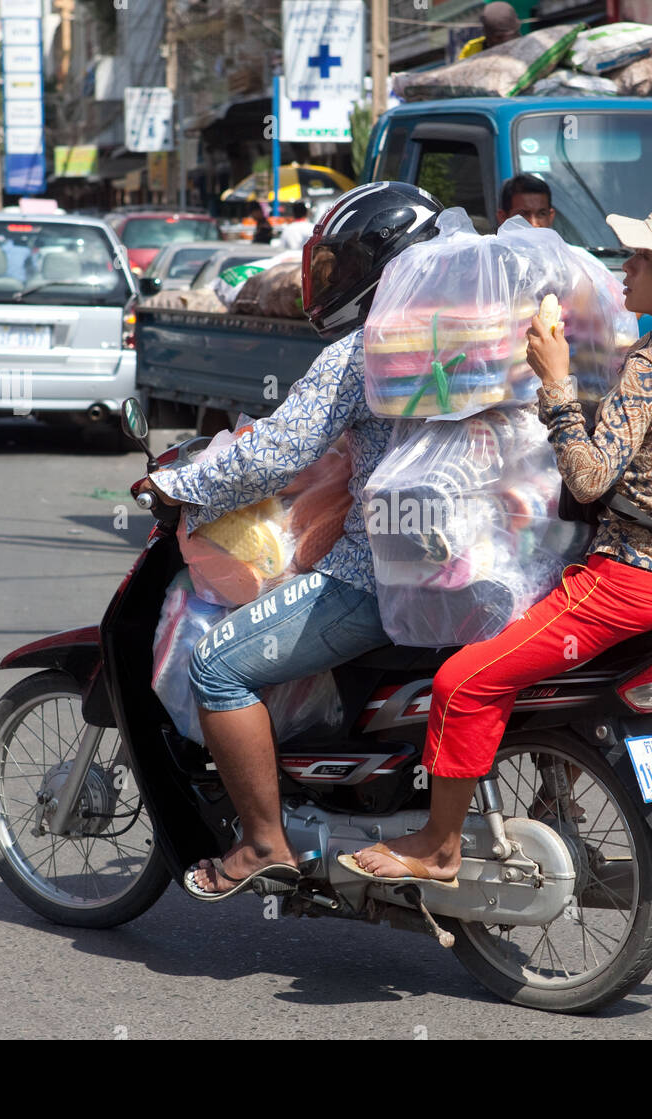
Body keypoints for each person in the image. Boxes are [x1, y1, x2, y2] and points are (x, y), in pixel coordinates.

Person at [347, 194, 652, 883]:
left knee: (462, 682)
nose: (626, 269)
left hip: (632, 582)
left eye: (642, 258)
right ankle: (558, 795)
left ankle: (438, 847)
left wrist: (554, 386)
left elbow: (586, 479)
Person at [138, 182, 445, 899]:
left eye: (340, 266)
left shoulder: (368, 349)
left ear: (381, 265)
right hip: (493, 565)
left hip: (381, 577)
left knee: (214, 666)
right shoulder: (483, 338)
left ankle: (263, 844)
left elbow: (276, 452)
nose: (331, 281)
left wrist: (179, 487)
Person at [458, 1, 522, 57]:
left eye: (500, 37)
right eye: (489, 38)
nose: (495, 42)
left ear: (515, 32)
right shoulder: (471, 50)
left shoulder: (529, 48)